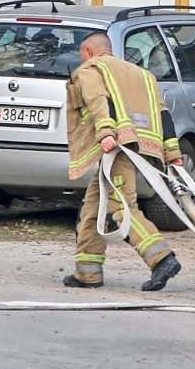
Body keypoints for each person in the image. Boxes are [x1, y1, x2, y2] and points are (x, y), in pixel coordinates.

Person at [64, 31, 184, 291]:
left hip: (117, 146)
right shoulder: (142, 74)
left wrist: (105, 132)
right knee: (93, 209)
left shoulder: (91, 69)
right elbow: (163, 113)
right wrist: (172, 153)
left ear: (88, 51)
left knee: (121, 207)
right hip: (143, 147)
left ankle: (161, 258)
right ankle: (88, 272)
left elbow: (98, 101)